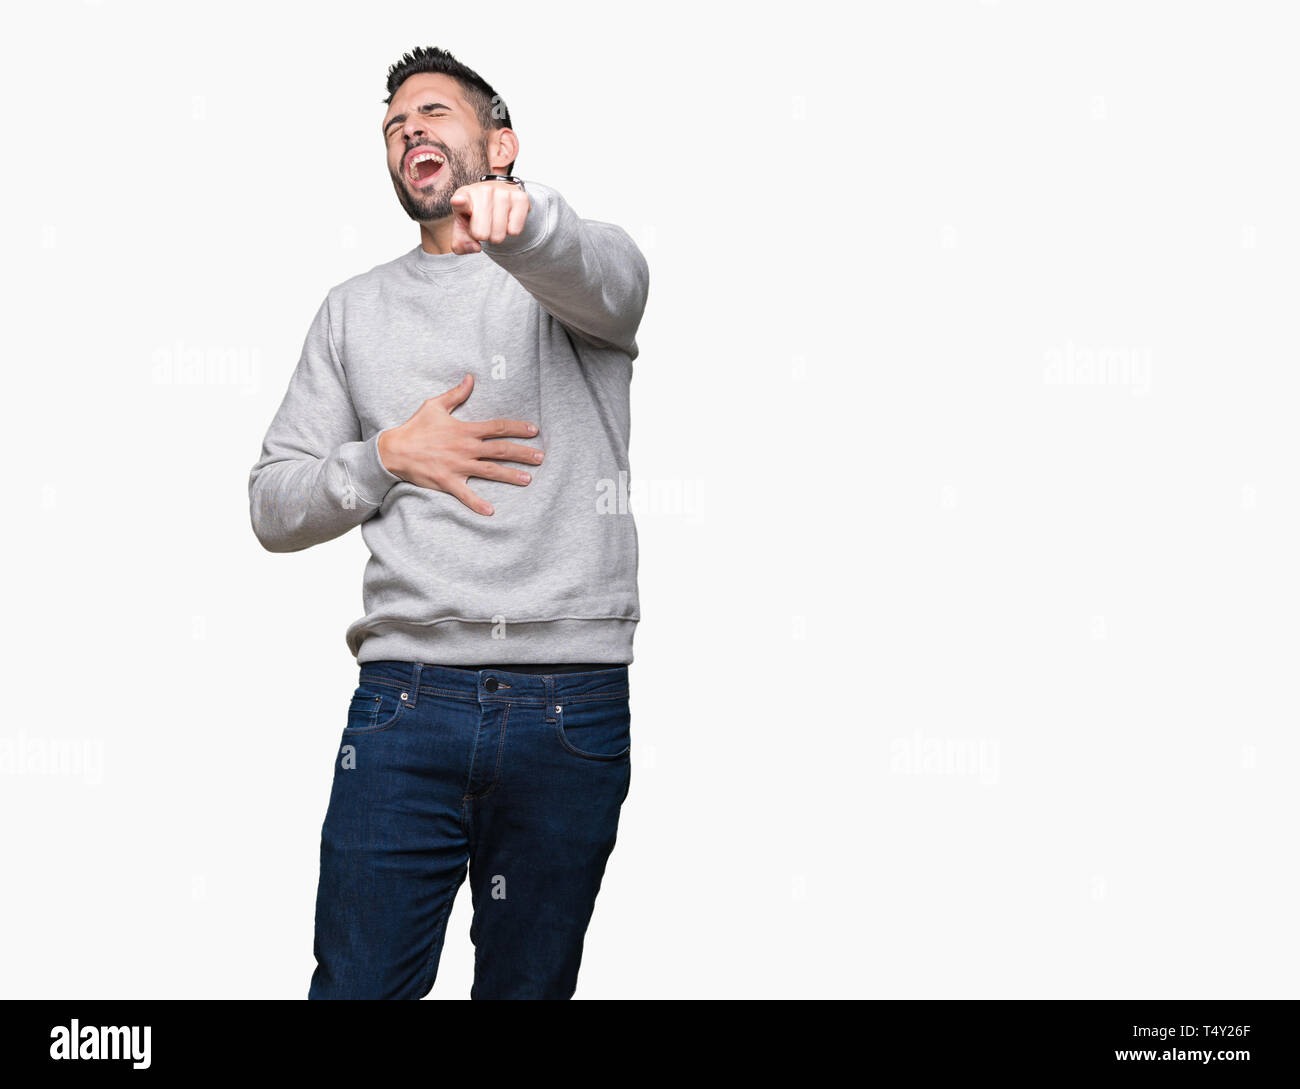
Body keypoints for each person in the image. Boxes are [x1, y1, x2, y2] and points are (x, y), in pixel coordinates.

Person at [247, 46, 649, 1000]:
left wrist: (530, 217)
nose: (408, 131)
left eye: (432, 112)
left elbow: (602, 271)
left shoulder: (584, 275)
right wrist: (387, 458)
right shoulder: (352, 312)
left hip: (570, 707)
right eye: (393, 127)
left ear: (498, 143)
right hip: (403, 707)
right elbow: (272, 501)